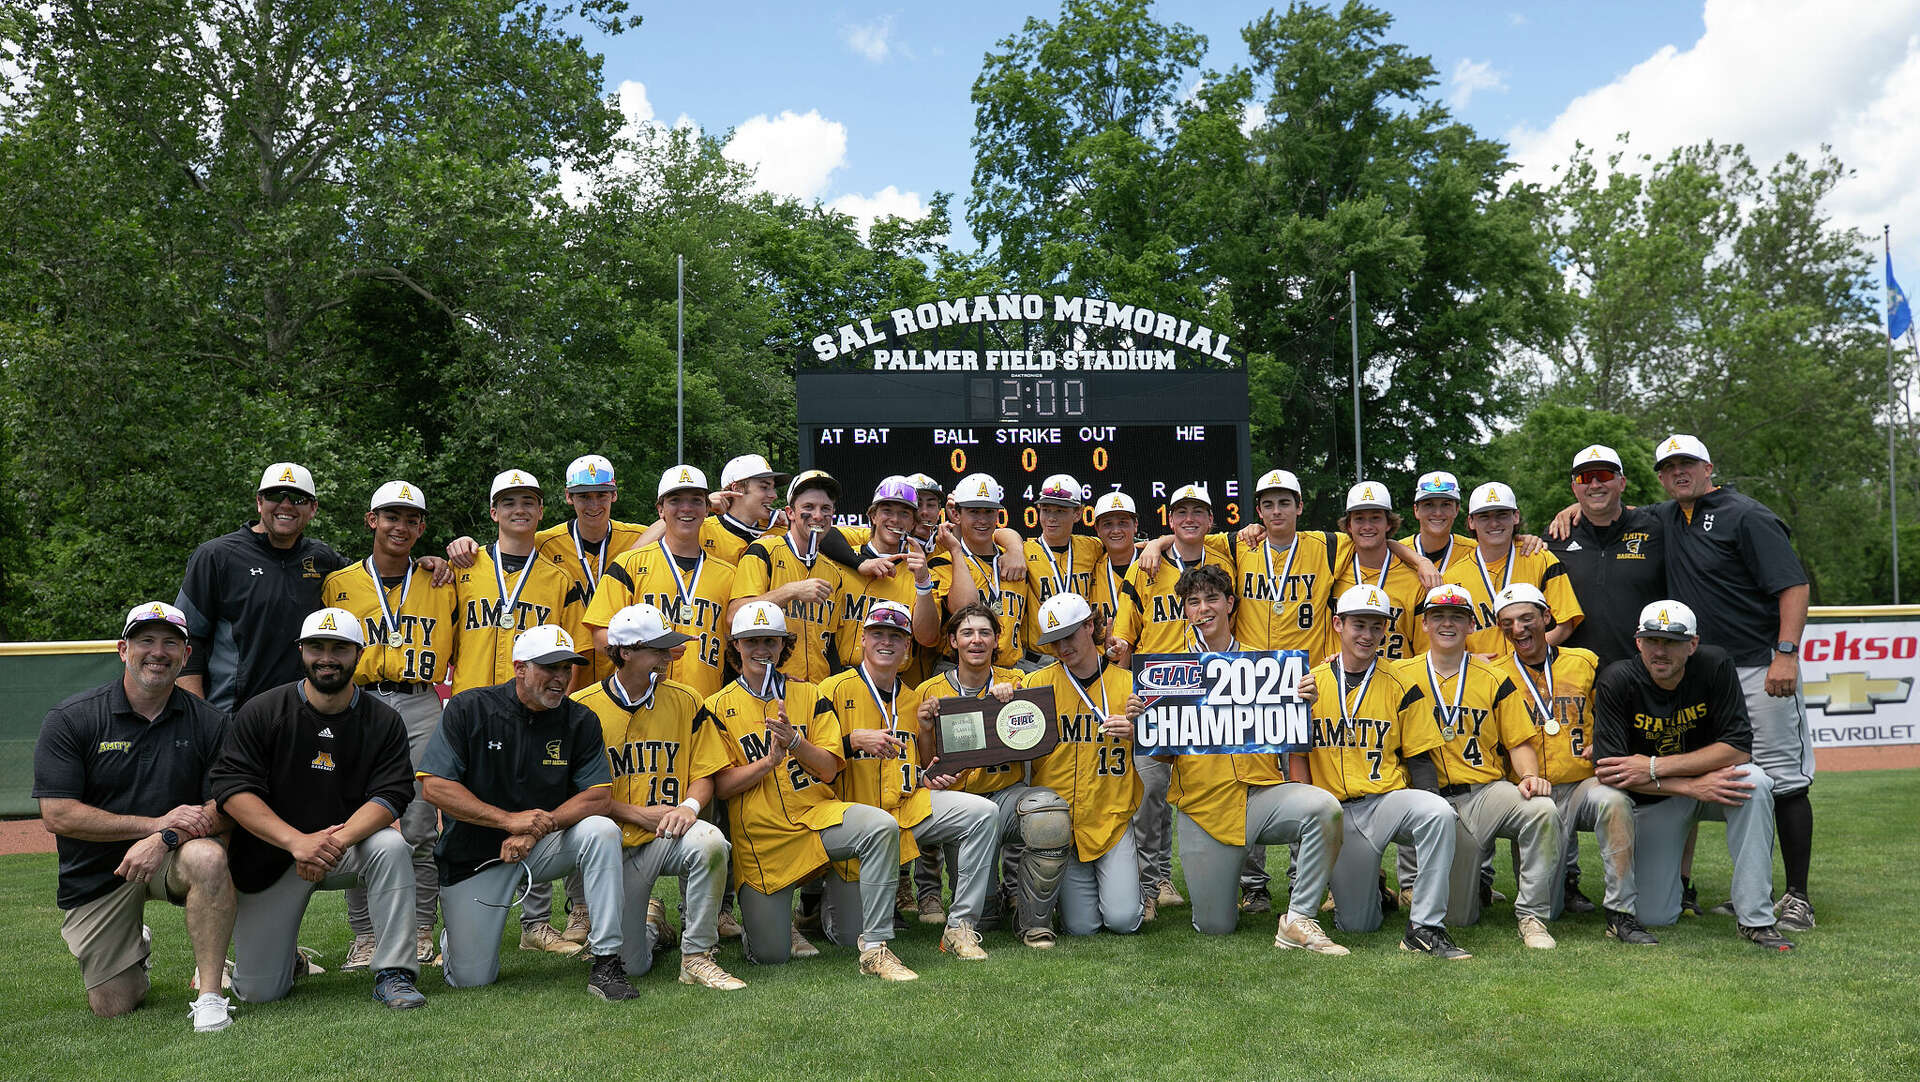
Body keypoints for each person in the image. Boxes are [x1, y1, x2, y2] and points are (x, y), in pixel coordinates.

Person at [33, 602, 237, 1031]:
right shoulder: (72, 718)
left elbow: (227, 806)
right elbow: (58, 815)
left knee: (210, 858)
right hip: (99, 870)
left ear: (185, 656)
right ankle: (135, 944)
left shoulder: (210, 721)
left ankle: (211, 994)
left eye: (171, 643)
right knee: (113, 1004)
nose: (158, 652)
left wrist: (163, 840)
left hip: (172, 856)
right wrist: (154, 826)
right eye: (146, 641)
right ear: (123, 649)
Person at [211, 608, 425, 1009]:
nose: (327, 657)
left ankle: (394, 973)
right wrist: (297, 843)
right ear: (301, 652)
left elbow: (393, 794)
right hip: (273, 855)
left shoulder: (382, 719)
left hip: (345, 849)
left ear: (359, 654)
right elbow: (232, 788)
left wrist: (333, 841)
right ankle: (286, 958)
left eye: (339, 648)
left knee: (392, 846)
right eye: (317, 648)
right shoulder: (264, 710)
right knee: (259, 993)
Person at [1649, 435, 1816, 931]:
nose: (1679, 472)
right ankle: (1756, 891)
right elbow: (1616, 512)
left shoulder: (1746, 514)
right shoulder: (1666, 517)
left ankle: (1798, 897)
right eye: (1669, 466)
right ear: (1660, 476)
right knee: (1741, 785)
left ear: (1708, 467)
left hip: (1758, 666)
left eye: (1688, 463)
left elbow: (1793, 585)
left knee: (1783, 781)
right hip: (1703, 675)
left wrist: (1785, 655)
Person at [418, 624, 638, 997]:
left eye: (566, 668)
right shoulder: (469, 707)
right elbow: (434, 786)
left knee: (601, 830)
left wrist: (533, 828)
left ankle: (606, 962)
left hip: (541, 845)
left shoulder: (580, 720)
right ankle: (456, 939)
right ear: (520, 668)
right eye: (549, 667)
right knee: (472, 979)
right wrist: (507, 821)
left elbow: (598, 797)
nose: (560, 678)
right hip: (476, 855)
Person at [707, 602, 916, 980]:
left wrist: (796, 743)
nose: (762, 650)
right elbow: (721, 787)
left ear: (783, 645)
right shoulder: (716, 707)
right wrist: (768, 762)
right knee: (772, 956)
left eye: (770, 641)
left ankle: (875, 947)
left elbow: (831, 768)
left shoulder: (809, 694)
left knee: (879, 826)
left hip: (818, 817)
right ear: (736, 644)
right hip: (763, 837)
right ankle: (777, 924)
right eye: (752, 641)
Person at [1159, 566, 1347, 954]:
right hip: (1203, 805)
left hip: (1261, 797)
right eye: (1193, 602)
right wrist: (1146, 723)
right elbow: (1162, 755)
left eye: (1212, 598)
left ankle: (1298, 918)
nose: (1203, 608)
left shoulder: (1270, 666)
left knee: (1323, 807)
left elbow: (1293, 738)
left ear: (1230, 603)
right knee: (1215, 927)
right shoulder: (1168, 671)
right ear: (1185, 612)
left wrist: (1303, 703)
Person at [1591, 600, 1794, 951]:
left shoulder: (1715, 664)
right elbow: (1613, 770)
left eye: (1671, 641)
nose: (1660, 650)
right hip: (1660, 796)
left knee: (1755, 782)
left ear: (1693, 644)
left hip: (1703, 783)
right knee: (1654, 915)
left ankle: (1756, 919)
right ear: (1638, 642)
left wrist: (1654, 766)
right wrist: (1689, 785)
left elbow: (1738, 749)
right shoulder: (1618, 679)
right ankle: (1676, 893)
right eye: (1652, 640)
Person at [449, 468, 592, 951]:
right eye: (508, 502)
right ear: (493, 512)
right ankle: (439, 922)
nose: (519, 509)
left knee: (538, 803)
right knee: (456, 814)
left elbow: (575, 650)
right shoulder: (461, 570)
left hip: (534, 710)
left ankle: (536, 924)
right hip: (473, 707)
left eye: (529, 501)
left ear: (541, 511)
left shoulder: (558, 578)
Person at [322, 480, 458, 971]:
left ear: (422, 528)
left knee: (421, 821)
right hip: (356, 703)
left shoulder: (443, 580)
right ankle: (364, 935)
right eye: (391, 517)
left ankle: (422, 927)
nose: (400, 527)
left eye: (411, 519)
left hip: (420, 699)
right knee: (355, 821)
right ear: (371, 520)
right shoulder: (338, 584)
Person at [572, 603, 745, 990]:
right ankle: (652, 925)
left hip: (666, 837)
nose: (669, 656)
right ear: (627, 652)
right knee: (631, 966)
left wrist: (690, 806)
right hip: (611, 849)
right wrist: (637, 813)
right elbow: (578, 793)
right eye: (658, 649)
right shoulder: (582, 709)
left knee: (710, 841)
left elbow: (705, 773)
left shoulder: (685, 700)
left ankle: (697, 956)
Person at [819, 601, 1001, 962]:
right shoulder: (831, 689)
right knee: (845, 936)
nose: (886, 642)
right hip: (853, 819)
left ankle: (960, 926)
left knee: (983, 813)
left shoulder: (914, 698)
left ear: (907, 647)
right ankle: (815, 905)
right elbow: (816, 766)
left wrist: (929, 772)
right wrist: (853, 741)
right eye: (878, 634)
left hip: (907, 807)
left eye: (896, 636)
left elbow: (922, 763)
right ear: (863, 641)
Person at [1297, 585, 1466, 959]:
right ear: (1338, 624)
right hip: (1338, 812)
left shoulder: (1402, 682)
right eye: (1359, 624)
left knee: (1437, 812)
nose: (1368, 635)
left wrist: (1427, 810)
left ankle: (1424, 927)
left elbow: (1420, 759)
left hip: (1385, 801)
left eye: (1377, 627)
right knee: (1359, 924)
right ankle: (1375, 891)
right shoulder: (1310, 684)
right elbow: (1295, 756)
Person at [1394, 585, 1560, 949]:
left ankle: (1532, 916)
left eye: (1457, 617)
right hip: (1428, 799)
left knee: (1541, 809)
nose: (1447, 624)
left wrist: (1530, 776)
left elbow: (1518, 741)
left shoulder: (1494, 677)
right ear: (1424, 624)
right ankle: (1422, 889)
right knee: (1458, 917)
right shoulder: (1397, 673)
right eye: (1438, 616)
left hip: (1485, 792)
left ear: (1472, 625)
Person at [1492, 584, 1655, 944]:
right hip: (1530, 791)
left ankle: (1621, 913)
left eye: (1526, 619)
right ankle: (1546, 895)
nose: (1518, 630)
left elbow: (1619, 711)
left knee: (1614, 801)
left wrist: (1604, 740)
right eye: (1507, 623)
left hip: (1582, 783)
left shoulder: (1584, 660)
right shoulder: (1493, 673)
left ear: (1547, 617)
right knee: (1549, 907)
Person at [914, 602, 1073, 947]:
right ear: (953, 641)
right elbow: (928, 766)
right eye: (967, 633)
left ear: (997, 639)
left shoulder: (1016, 681)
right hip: (963, 807)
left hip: (1006, 798)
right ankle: (996, 898)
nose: (976, 640)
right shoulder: (929, 692)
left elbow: (1041, 726)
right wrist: (926, 728)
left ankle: (1034, 922)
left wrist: (1017, 701)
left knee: (1048, 813)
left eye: (985, 632)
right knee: (983, 917)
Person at [176, 462, 349, 712]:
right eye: (275, 496)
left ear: (313, 508)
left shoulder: (323, 559)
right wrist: (200, 716)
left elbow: (372, 581)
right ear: (259, 502)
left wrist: (419, 567)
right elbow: (186, 637)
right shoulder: (216, 556)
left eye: (298, 499)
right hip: (233, 717)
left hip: (305, 717)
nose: (286, 505)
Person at [1024, 592, 1144, 937]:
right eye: (1054, 641)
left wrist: (1139, 734)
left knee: (1123, 921)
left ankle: (1137, 891)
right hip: (1061, 825)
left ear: (1090, 626)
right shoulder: (1035, 684)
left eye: (1069, 635)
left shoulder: (1130, 684)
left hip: (1112, 816)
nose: (1062, 647)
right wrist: (1003, 692)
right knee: (1082, 927)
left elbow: (1167, 750)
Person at [585, 465, 736, 701]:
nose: (686, 508)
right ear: (660, 510)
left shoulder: (729, 574)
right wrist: (647, 649)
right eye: (675, 500)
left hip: (704, 705)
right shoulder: (629, 565)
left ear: (708, 509)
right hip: (641, 701)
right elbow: (599, 635)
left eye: (696, 500)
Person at [1546, 445, 1666, 669]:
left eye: (1604, 476)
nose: (1594, 485)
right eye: (1585, 478)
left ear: (1622, 482)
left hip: (1643, 673)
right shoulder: (1555, 536)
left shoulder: (1657, 529)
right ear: (1574, 488)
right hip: (1575, 677)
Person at [535, 455, 648, 685]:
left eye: (601, 495)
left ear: (614, 495)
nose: (594, 505)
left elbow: (679, 522)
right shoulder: (544, 544)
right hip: (567, 670)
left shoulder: (639, 538)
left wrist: (707, 503)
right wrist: (465, 544)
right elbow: (504, 549)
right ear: (569, 497)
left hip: (624, 669)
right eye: (584, 496)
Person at [729, 470, 846, 683]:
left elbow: (830, 644)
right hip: (771, 688)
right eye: (808, 507)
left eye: (825, 508)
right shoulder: (764, 550)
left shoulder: (834, 573)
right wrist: (791, 591)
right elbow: (734, 615)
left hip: (817, 694)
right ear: (790, 513)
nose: (818, 515)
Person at [1441, 482, 1582, 654]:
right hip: (1479, 675)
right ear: (1471, 521)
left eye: (1502, 515)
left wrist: (1524, 655)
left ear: (1515, 516)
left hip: (1533, 671)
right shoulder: (1451, 577)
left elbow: (1565, 625)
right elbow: (1445, 635)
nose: (1494, 523)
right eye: (1484, 516)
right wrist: (1469, 659)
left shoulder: (1541, 559)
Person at [1332, 481, 1430, 662]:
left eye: (1375, 518)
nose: (1367, 526)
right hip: (1340, 682)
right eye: (1359, 518)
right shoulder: (1334, 569)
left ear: (1388, 524)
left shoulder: (1413, 580)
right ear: (1349, 526)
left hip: (1395, 683)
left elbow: (1425, 654)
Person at [1023, 474, 1103, 656]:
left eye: (1060, 510)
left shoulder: (1091, 546)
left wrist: (1156, 544)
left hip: (1082, 652)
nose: (1051, 518)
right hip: (1039, 657)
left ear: (1077, 513)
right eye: (1046, 510)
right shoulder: (1022, 551)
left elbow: (1127, 546)